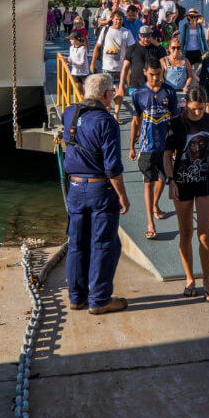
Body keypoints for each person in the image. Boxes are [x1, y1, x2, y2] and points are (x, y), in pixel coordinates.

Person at [60, 74, 131, 314]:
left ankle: (76, 297)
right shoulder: (106, 121)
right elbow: (112, 166)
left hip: (75, 188)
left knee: (77, 244)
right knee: (104, 244)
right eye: (112, 92)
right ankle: (100, 299)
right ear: (107, 95)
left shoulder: (69, 113)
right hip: (100, 189)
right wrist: (122, 195)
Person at [163, 86, 209, 302]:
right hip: (182, 183)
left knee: (205, 234)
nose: (197, 113)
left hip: (207, 181)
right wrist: (170, 180)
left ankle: (207, 279)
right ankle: (190, 278)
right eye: (192, 109)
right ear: (185, 106)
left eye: (200, 109)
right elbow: (166, 154)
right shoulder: (175, 124)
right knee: (186, 233)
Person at [129, 59, 180, 240]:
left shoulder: (170, 91)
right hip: (147, 146)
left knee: (163, 179)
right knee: (148, 182)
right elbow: (136, 120)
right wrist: (131, 146)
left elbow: (175, 120)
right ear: (145, 72)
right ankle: (151, 224)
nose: (156, 78)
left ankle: (155, 204)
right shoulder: (138, 94)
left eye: (159, 74)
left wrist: (176, 145)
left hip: (166, 146)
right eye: (152, 74)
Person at [92, 10, 134, 118]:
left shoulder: (126, 32)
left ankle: (116, 114)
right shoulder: (105, 30)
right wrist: (93, 63)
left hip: (121, 69)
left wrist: (132, 65)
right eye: (116, 19)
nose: (118, 21)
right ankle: (107, 109)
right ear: (112, 19)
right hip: (107, 67)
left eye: (120, 19)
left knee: (120, 93)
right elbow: (97, 46)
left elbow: (132, 49)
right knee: (106, 92)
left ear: (123, 20)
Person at [121, 25, 165, 100]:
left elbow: (163, 64)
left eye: (148, 36)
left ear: (151, 36)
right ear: (139, 36)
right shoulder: (132, 48)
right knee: (137, 109)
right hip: (135, 86)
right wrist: (121, 85)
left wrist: (161, 76)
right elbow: (125, 68)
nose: (145, 39)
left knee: (149, 109)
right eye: (143, 36)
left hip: (151, 86)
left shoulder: (156, 49)